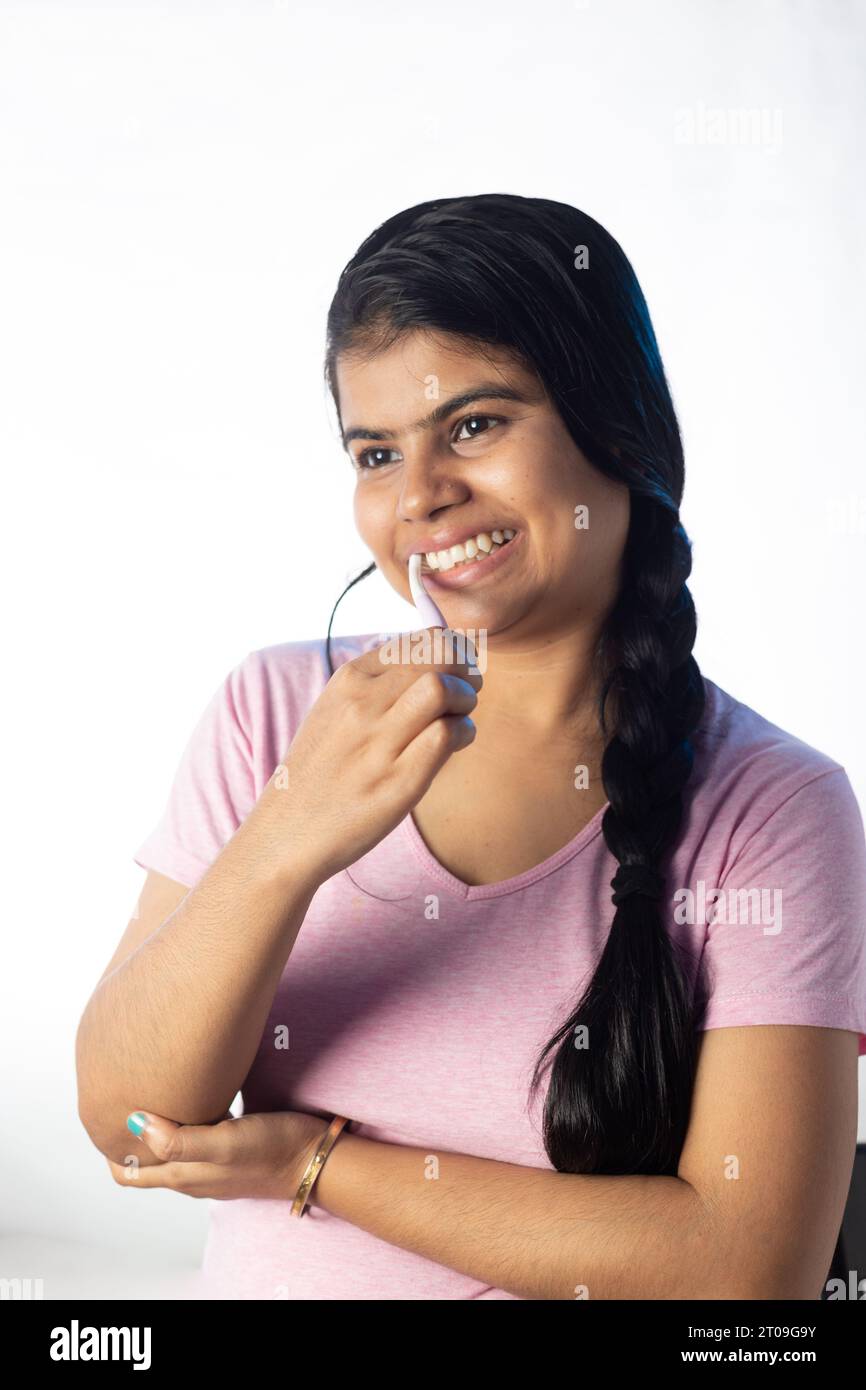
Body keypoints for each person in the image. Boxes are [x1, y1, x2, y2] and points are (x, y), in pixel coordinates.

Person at [77, 194, 866, 1300]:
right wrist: (292, 833)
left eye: (475, 425)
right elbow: (130, 1123)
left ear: (615, 427)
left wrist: (317, 1164)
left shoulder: (771, 805)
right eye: (374, 451)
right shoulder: (271, 710)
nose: (420, 497)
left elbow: (743, 1269)